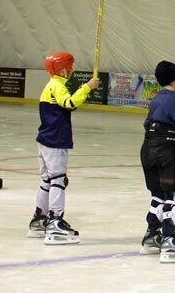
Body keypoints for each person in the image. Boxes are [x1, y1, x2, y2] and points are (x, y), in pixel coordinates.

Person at [27, 52, 100, 245]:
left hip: (45, 139)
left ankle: (39, 220)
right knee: (58, 179)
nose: (72, 70)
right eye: (70, 66)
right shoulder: (58, 86)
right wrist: (87, 87)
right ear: (62, 69)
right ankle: (55, 222)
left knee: (46, 180)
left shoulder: (51, 85)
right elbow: (69, 104)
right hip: (55, 140)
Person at [140, 61, 175, 262]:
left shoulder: (156, 98)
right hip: (167, 151)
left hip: (148, 149)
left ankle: (151, 235)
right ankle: (170, 241)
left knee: (158, 195)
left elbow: (147, 123)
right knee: (173, 195)